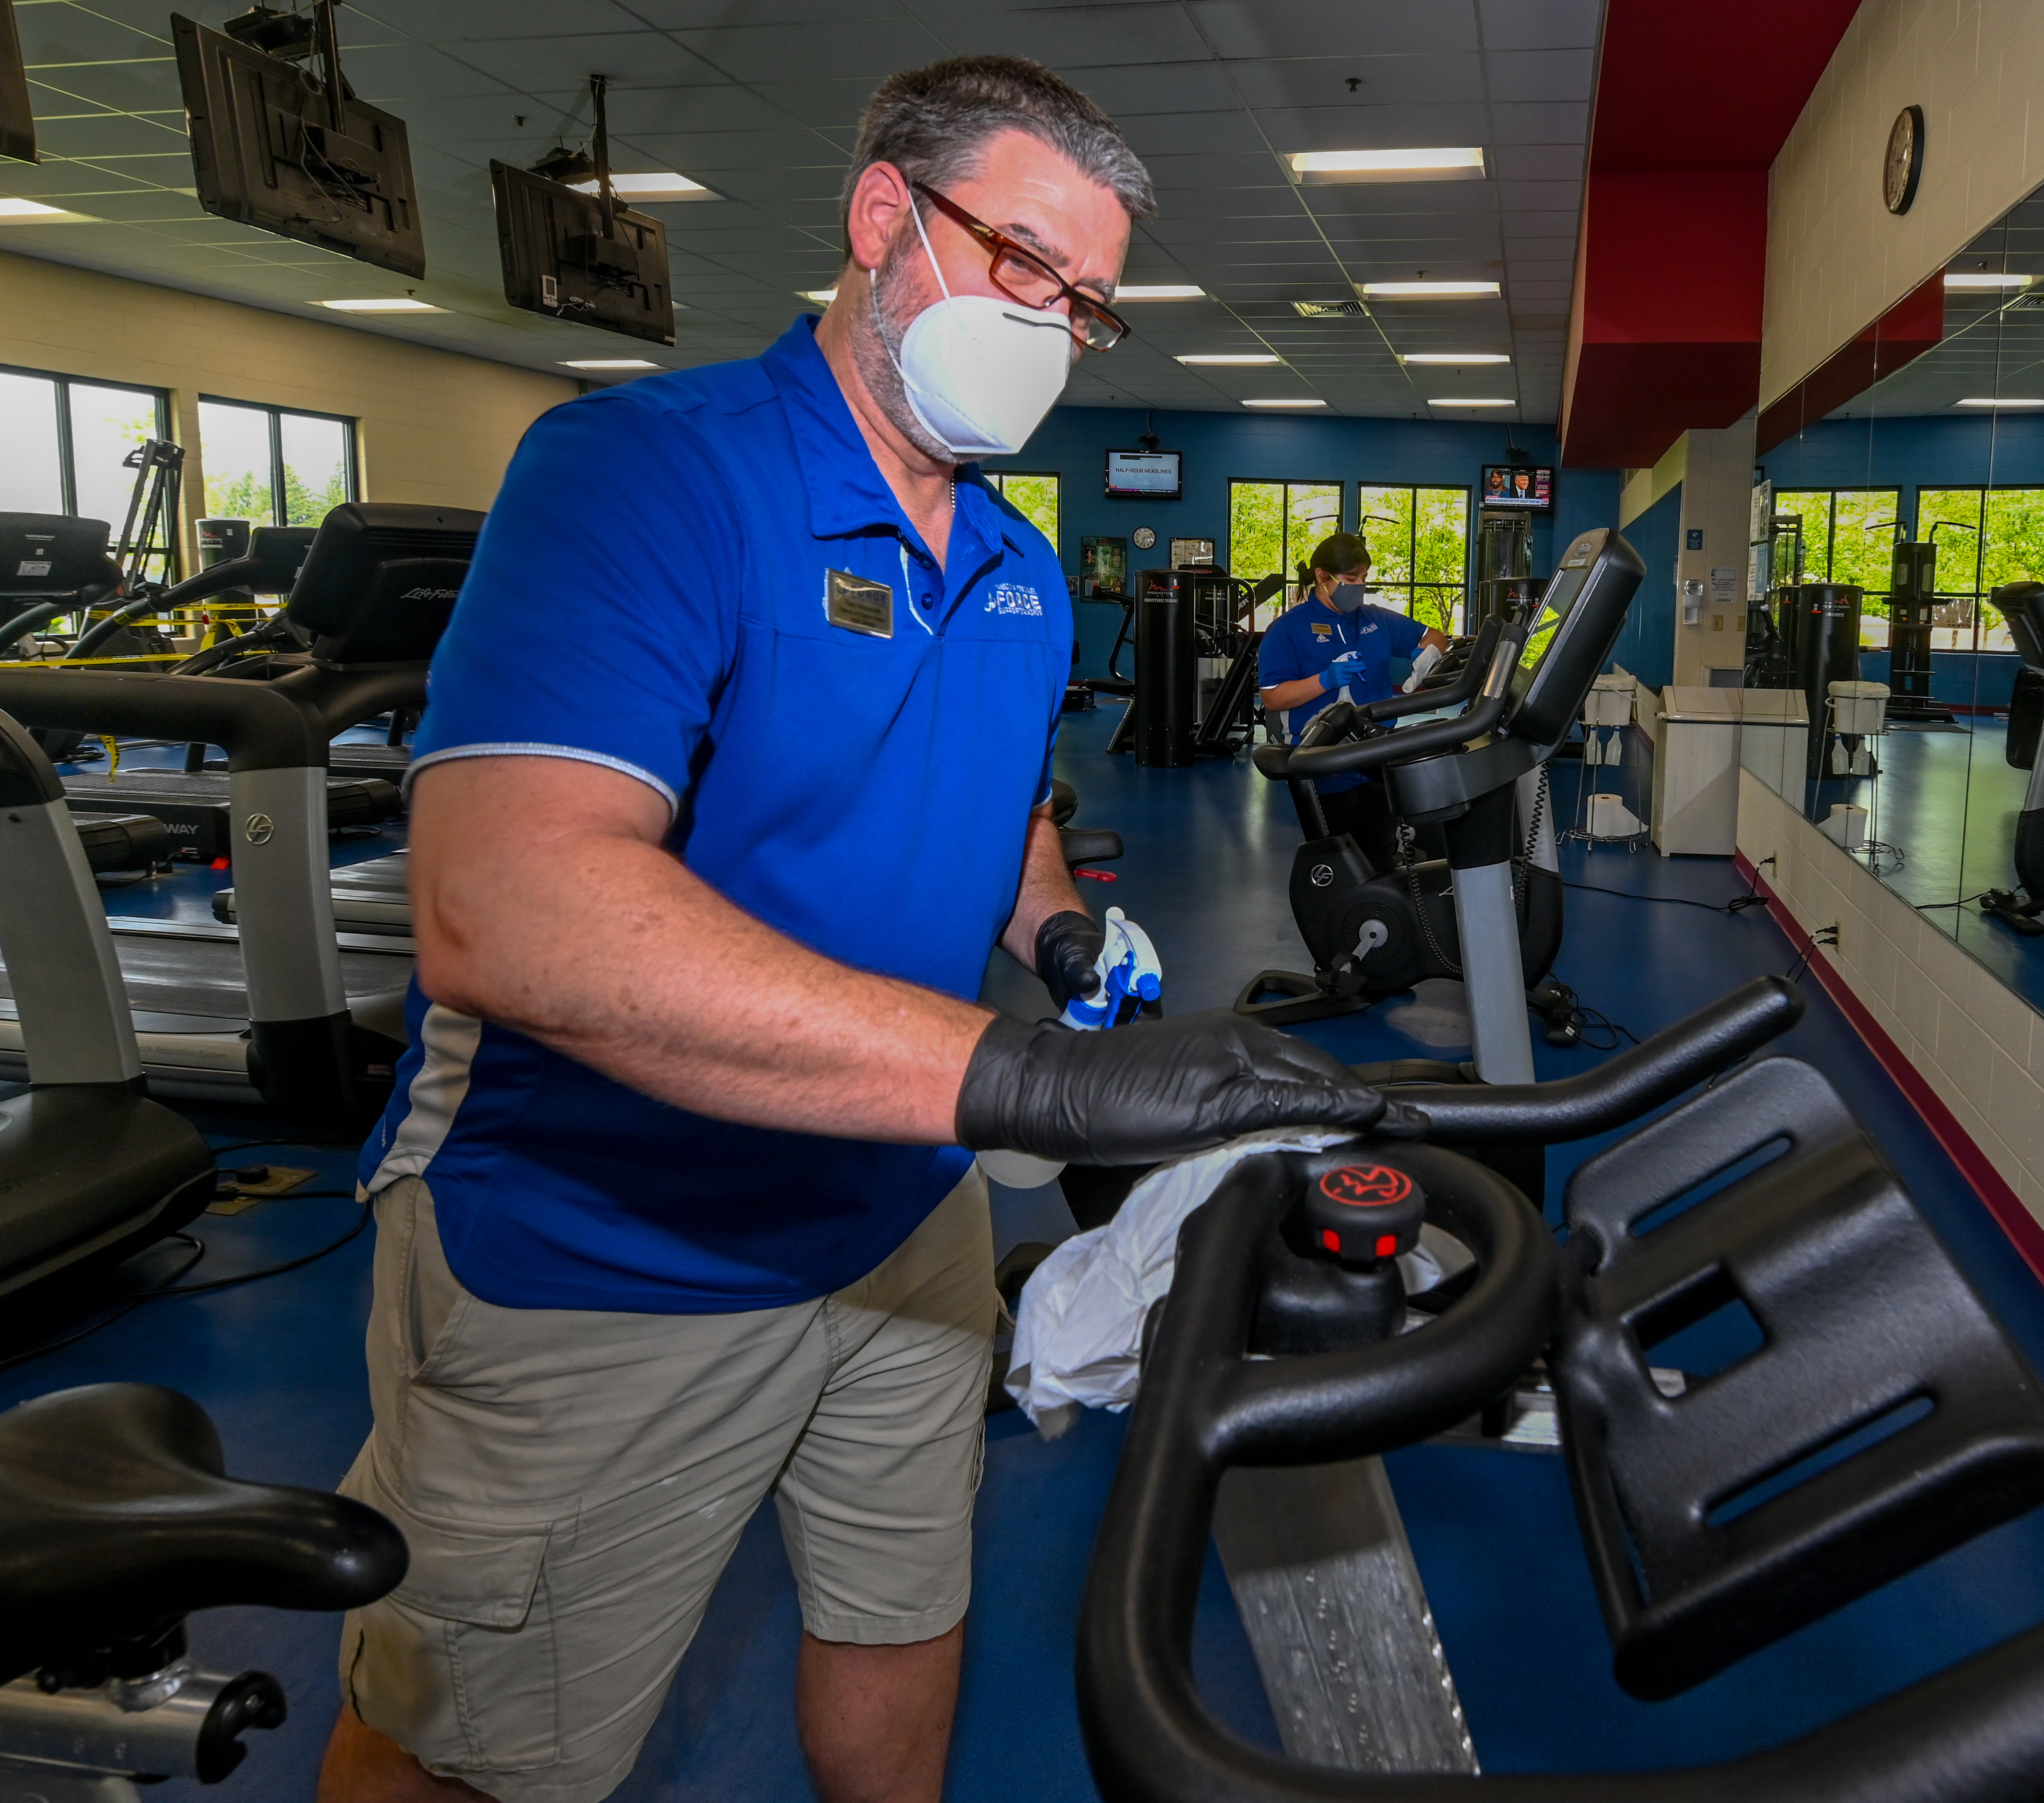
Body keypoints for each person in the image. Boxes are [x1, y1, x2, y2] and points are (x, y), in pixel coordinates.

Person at [318, 58, 1408, 1803]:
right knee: (470, 1742)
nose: (1051, 329)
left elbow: (1006, 813)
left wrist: (1056, 936)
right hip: (608, 1245)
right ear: (882, 215)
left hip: (902, 1209)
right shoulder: (643, 475)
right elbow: (507, 907)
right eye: (1022, 263)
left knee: (902, 1612)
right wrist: (1033, 1082)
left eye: (1087, 305)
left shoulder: (1018, 565)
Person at [1254, 532, 1451, 871]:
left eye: (1363, 579)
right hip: (1324, 760)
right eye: (1350, 579)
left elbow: (1435, 636)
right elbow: (1273, 698)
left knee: (1379, 857)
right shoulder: (1287, 630)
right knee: (1344, 864)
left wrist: (1428, 654)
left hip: (1376, 756)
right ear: (1322, 576)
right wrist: (1324, 680)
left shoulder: (1376, 618)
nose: (1359, 586)